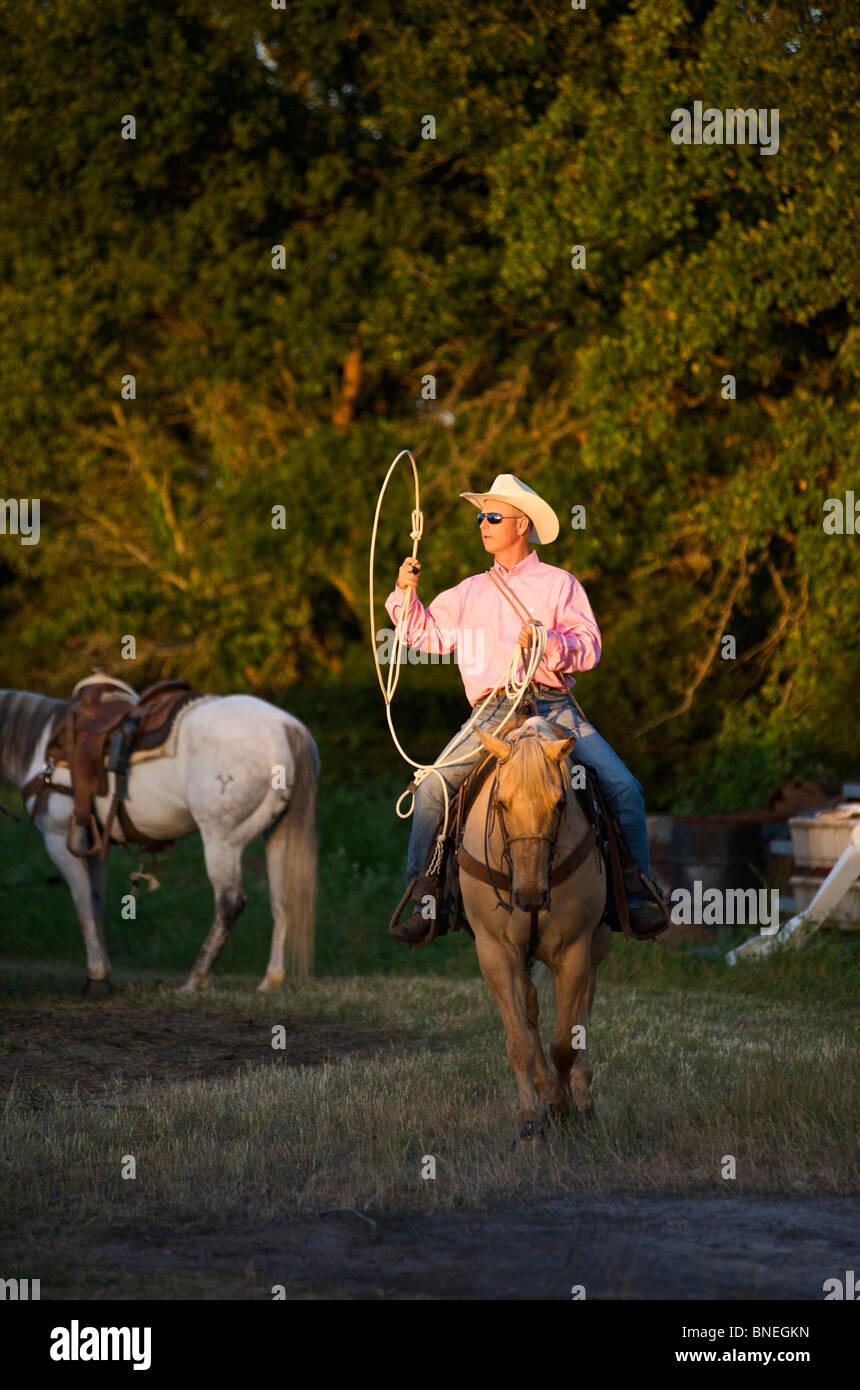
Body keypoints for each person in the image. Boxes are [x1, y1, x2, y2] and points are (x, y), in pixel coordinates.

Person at [384, 473, 666, 945]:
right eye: (481, 517)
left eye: (493, 516)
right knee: (432, 787)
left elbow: (589, 648)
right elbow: (421, 635)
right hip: (491, 711)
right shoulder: (468, 591)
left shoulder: (560, 585)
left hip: (553, 706)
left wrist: (546, 640)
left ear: (522, 524)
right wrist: (404, 592)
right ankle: (428, 895)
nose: (483, 524)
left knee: (623, 786)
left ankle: (635, 891)